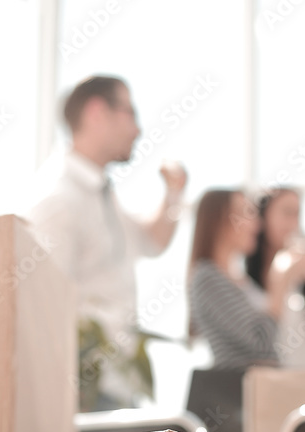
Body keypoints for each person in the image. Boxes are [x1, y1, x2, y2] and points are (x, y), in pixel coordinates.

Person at [26, 75, 187, 411]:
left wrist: (173, 193)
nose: (138, 129)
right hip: (83, 392)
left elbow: (152, 241)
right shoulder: (59, 198)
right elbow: (42, 304)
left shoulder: (100, 194)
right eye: (130, 113)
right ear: (97, 112)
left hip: (116, 385)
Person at [189, 189, 305, 371]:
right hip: (239, 393)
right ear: (219, 221)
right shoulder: (207, 278)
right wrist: (280, 279)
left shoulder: (238, 280)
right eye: (244, 214)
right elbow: (261, 343)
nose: (256, 225)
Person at [245, 187, 305, 368]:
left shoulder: (302, 278)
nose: (293, 224)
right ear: (263, 217)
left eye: (297, 214)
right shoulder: (243, 283)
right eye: (287, 213)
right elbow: (262, 341)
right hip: (275, 385)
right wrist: (282, 275)